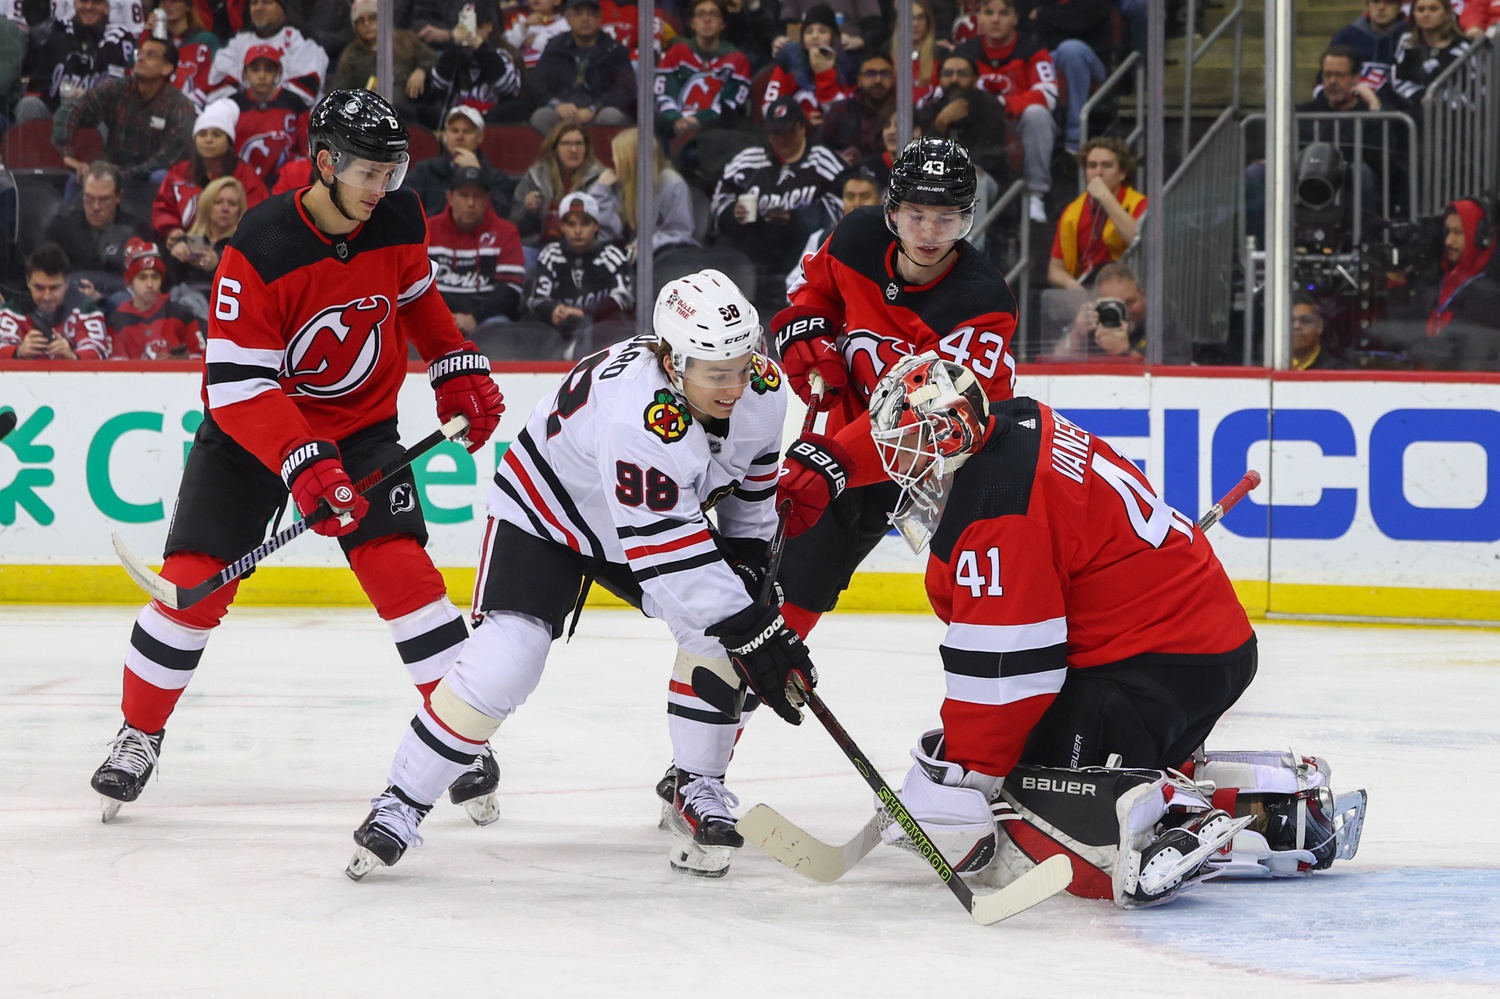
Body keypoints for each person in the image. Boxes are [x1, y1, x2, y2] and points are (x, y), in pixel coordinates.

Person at [85, 89, 506, 825]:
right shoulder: (261, 246)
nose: (383, 188)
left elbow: (417, 296)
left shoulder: (399, 216)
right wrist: (303, 461)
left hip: (363, 429)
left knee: (407, 576)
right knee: (193, 584)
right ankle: (138, 731)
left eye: (392, 171)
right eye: (369, 173)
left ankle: (458, 741)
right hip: (254, 437)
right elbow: (238, 383)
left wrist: (456, 364)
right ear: (325, 162)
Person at [344, 269, 807, 882]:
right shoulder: (636, 417)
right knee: (509, 658)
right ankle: (399, 804)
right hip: (547, 516)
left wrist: (749, 573)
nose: (734, 384)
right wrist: (751, 628)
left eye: (743, 365)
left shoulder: (764, 390)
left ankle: (697, 787)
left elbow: (753, 492)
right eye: (715, 372)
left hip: (646, 520)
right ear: (672, 361)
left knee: (723, 626)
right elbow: (667, 555)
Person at [860, 352, 1364, 906]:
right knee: (1042, 759)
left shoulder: (999, 510)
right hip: (1193, 644)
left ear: (954, 433)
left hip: (1153, 663)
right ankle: (1280, 808)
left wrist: (960, 781)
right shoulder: (1019, 419)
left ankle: (1169, 827)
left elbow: (1008, 676)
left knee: (1025, 790)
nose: (906, 466)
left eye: (914, 447)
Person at [767, 136, 1019, 647]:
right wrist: (808, 331)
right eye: (915, 214)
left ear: (968, 218)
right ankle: (734, 705)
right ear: (892, 211)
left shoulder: (981, 303)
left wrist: (833, 461)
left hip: (953, 470)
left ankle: (1008, 699)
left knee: (979, 595)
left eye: (946, 217)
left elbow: (931, 426)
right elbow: (816, 291)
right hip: (846, 449)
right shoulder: (858, 235)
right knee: (794, 594)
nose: (929, 232)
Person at [710, 95, 844, 317]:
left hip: (800, 246)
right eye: (775, 133)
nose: (782, 139)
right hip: (755, 246)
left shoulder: (822, 160)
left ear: (802, 127)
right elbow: (719, 198)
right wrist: (732, 212)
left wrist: (796, 218)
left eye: (788, 131)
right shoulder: (748, 160)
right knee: (727, 246)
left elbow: (840, 205)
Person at [955, 0, 1058, 223]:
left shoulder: (1032, 46)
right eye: (988, 12)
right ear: (978, 17)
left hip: (1017, 123)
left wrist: (1003, 103)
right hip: (977, 127)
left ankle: (1036, 195)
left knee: (1037, 114)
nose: (995, 19)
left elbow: (1048, 94)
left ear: (1015, 18)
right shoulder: (965, 51)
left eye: (1003, 13)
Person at [55, 36, 196, 184]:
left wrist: (122, 175)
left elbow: (167, 159)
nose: (140, 58)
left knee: (160, 177)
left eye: (150, 55)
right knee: (78, 177)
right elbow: (72, 109)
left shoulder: (180, 106)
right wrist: (67, 155)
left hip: (148, 180)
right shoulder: (118, 88)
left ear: (167, 68)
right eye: (139, 53)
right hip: (113, 173)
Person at [152, 98, 270, 242]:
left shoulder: (246, 176)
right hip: (184, 244)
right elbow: (163, 207)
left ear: (229, 141)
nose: (208, 140)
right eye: (202, 134)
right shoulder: (179, 172)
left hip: (231, 246)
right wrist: (171, 230)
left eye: (216, 135)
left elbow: (258, 218)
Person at [524, 190, 633, 343]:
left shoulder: (612, 256)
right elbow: (536, 298)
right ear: (561, 226)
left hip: (602, 333)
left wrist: (585, 313)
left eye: (585, 223)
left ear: (596, 226)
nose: (577, 231)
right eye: (571, 224)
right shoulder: (551, 255)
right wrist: (553, 310)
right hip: (559, 334)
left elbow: (624, 297)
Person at [428, 165, 528, 330]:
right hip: (436, 313)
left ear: (487, 199)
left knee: (498, 325)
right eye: (464, 195)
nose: (471, 203)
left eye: (478, 196)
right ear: (450, 197)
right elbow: (417, 284)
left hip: (486, 317)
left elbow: (511, 289)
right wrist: (445, 314)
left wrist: (475, 317)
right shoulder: (428, 229)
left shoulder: (506, 232)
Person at [1047, 137, 1145, 291]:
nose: (1098, 173)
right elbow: (1054, 270)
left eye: (1106, 166)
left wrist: (1105, 197)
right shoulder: (1072, 211)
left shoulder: (1139, 204)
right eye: (1092, 166)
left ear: (1122, 173)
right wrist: (1073, 286)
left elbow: (1138, 240)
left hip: (1127, 286)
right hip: (1087, 287)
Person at [1412, 199, 1500, 370]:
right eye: (1448, 232)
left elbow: (1457, 354)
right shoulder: (1441, 280)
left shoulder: (1488, 295)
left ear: (1481, 238)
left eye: (1458, 233)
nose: (1448, 241)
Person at [41, 160, 146, 303]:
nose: (96, 207)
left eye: (104, 200)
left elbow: (147, 282)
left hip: (120, 303)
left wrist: (102, 299)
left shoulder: (136, 230)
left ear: (118, 197)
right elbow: (43, 271)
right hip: (72, 299)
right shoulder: (61, 225)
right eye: (89, 198)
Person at [527, 0, 635, 134]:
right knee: (542, 116)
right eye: (578, 14)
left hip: (598, 112)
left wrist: (595, 108)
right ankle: (555, 154)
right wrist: (557, 105)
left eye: (591, 14)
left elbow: (625, 88)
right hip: (562, 111)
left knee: (611, 115)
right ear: (568, 18)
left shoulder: (615, 50)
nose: (585, 19)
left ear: (600, 17)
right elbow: (537, 83)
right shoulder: (554, 47)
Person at [654, 0, 754, 145]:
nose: (707, 19)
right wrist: (676, 119)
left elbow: (730, 104)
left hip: (715, 131)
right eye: (701, 14)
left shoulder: (737, 60)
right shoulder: (676, 53)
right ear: (692, 23)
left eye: (713, 14)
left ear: (723, 24)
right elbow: (663, 93)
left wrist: (697, 120)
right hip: (673, 126)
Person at [1050, 262, 1191, 364]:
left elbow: (1172, 380)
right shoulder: (1087, 327)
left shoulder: (1165, 329)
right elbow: (1052, 366)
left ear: (1144, 296)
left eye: (1129, 303)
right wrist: (1076, 334)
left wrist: (1125, 352)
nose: (1124, 312)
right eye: (1111, 306)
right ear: (1096, 304)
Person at [586, 126, 698, 254]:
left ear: (631, 158)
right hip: (623, 253)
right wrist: (601, 190)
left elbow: (679, 232)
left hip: (662, 255)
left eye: (617, 156)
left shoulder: (671, 183)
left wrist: (644, 245)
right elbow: (607, 232)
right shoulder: (618, 182)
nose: (613, 160)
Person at [20, 0, 134, 123]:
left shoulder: (120, 34)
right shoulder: (58, 28)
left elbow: (116, 87)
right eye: (83, 1)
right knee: (29, 105)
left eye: (96, 2)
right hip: (52, 111)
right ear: (74, 5)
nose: (89, 7)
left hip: (93, 115)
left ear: (106, 8)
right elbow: (35, 21)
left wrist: (88, 97)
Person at [0, 243, 110, 360]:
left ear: (67, 282)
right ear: (28, 281)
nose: (47, 296)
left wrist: (73, 356)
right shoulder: (12, 311)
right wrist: (18, 351)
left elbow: (100, 353)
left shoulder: (85, 309)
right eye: (39, 288)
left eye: (54, 288)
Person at [227, 44, 316, 188]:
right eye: (255, 69)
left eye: (269, 69)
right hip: (241, 183)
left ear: (278, 72)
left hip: (286, 183)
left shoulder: (295, 104)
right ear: (245, 72)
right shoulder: (231, 105)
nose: (262, 76)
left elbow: (307, 150)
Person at [405, 105, 516, 218]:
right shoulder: (424, 171)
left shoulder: (497, 178)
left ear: (480, 137)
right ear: (446, 135)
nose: (459, 136)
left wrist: (476, 174)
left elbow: (500, 216)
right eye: (454, 130)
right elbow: (407, 211)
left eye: (467, 131)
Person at [784, 166, 881, 296]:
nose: (857, 203)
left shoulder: (892, 240)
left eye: (865, 196)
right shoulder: (820, 238)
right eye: (850, 196)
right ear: (842, 201)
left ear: (880, 200)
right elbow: (794, 284)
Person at [208, 0, 329, 102]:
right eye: (254, 3)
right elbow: (218, 91)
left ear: (282, 7)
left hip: (293, 120)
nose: (259, 8)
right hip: (243, 117)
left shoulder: (302, 38)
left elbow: (305, 93)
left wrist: (265, 108)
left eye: (266, 2)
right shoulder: (236, 41)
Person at [918, 54, 1010, 186]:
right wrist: (940, 124)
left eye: (962, 74)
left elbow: (990, 154)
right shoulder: (931, 109)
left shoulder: (990, 106)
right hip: (940, 176)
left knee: (972, 178)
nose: (954, 80)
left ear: (975, 79)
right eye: (948, 74)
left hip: (986, 177)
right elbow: (922, 155)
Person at [106, 238, 204, 360]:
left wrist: (181, 364)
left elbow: (200, 357)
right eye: (142, 278)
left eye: (155, 277)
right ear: (131, 282)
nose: (150, 284)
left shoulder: (180, 313)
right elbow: (116, 369)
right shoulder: (118, 320)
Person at [510, 122, 606, 247]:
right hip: (540, 245)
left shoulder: (599, 179)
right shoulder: (536, 176)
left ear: (586, 148)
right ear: (555, 148)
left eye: (579, 144)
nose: (573, 150)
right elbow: (514, 226)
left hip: (583, 248)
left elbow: (608, 227)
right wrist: (526, 210)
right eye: (566, 144)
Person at [760, 3, 855, 127]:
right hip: (792, 133)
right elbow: (768, 108)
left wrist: (824, 74)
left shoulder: (847, 69)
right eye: (809, 32)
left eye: (822, 31)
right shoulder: (787, 66)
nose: (815, 37)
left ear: (833, 38)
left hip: (832, 136)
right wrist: (800, 118)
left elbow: (845, 117)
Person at [420, 17, 524, 127]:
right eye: (465, 28)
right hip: (455, 114)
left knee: (515, 109)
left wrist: (481, 48)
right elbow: (438, 84)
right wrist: (454, 46)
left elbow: (510, 89)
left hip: (490, 116)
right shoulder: (453, 53)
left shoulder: (502, 55)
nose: (469, 33)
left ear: (488, 27)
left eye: (476, 27)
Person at [330, 0, 438, 105]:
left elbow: (433, 59)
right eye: (361, 21)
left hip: (408, 109)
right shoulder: (351, 54)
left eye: (372, 17)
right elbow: (340, 92)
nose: (367, 24)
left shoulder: (406, 40)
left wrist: (422, 70)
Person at [818, 50, 896, 164]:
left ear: (893, 79)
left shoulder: (904, 111)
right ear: (859, 80)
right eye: (871, 74)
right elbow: (820, 148)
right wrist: (838, 160)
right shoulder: (840, 110)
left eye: (884, 74)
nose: (878, 80)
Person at [1328, 0, 1408, 105]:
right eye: (1375, 2)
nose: (1381, 8)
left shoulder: (1411, 37)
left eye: (1389, 2)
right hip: (1352, 110)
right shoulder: (1345, 37)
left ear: (1399, 7)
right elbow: (1325, 79)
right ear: (1367, 5)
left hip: (1398, 112)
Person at [1391, 0, 1471, 106]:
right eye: (1420, 10)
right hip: (1416, 109)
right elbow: (1398, 79)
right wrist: (1422, 96)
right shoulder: (1406, 43)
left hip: (1457, 114)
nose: (1426, 14)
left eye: (1433, 9)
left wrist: (1443, 102)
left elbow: (1476, 85)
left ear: (1447, 13)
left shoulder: (1464, 47)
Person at [146, 0, 221, 110]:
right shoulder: (149, 40)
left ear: (188, 6)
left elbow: (215, 80)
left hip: (193, 109)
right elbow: (133, 72)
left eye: (175, 1)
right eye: (163, 1)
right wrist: (147, 34)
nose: (168, 4)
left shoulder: (207, 40)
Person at [888, 0, 943, 105]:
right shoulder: (886, 53)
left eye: (920, 18)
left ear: (928, 22)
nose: (915, 24)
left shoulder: (941, 54)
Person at [1288, 292, 1348, 370]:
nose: (1296, 326)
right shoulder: (1272, 363)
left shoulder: (1340, 371)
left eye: (1305, 320)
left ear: (1320, 327)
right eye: (1290, 320)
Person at [504, 0, 568, 69]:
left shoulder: (566, 25)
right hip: (518, 73)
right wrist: (524, 26)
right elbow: (506, 49)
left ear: (556, 1)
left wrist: (539, 39)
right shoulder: (518, 19)